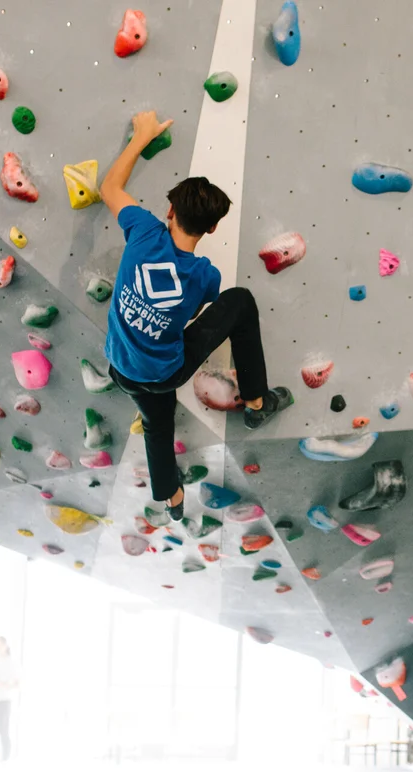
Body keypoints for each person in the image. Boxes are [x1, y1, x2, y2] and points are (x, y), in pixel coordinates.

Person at [98, 109, 291, 528]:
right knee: (239, 301)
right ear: (215, 228)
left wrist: (141, 136)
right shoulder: (206, 277)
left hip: (120, 366)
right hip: (167, 369)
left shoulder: (143, 230)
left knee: (156, 419)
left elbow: (109, 186)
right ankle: (256, 402)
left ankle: (171, 496)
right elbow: (198, 309)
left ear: (168, 210)